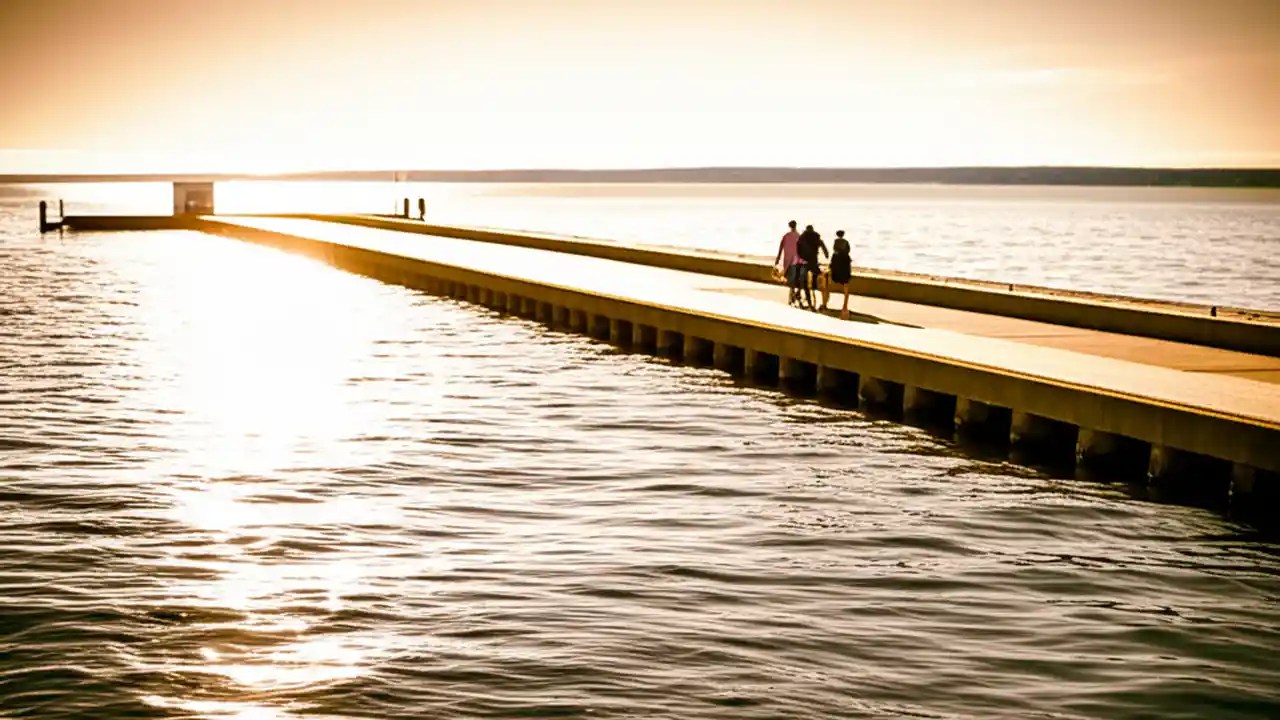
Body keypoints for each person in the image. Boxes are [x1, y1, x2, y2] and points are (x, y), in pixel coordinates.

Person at [796, 224, 828, 310]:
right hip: (813, 262)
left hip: (804, 263)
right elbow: (823, 245)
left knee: (803, 281)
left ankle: (805, 298)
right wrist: (826, 254)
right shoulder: (815, 237)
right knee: (817, 275)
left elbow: (797, 249)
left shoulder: (802, 238)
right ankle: (813, 287)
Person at [774, 220, 804, 306]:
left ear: (789, 226)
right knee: (798, 280)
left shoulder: (786, 236)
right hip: (797, 261)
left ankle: (792, 297)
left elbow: (780, 249)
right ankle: (795, 295)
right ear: (796, 226)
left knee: (791, 281)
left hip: (788, 262)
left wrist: (777, 260)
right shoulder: (799, 236)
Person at [826, 230, 853, 319]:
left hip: (837, 266)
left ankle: (825, 302)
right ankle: (845, 306)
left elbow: (833, 257)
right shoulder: (846, 244)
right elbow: (848, 251)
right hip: (844, 266)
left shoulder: (835, 247)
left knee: (827, 281)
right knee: (846, 286)